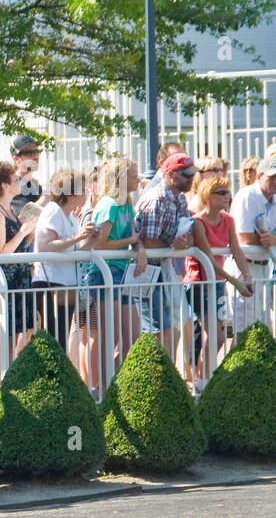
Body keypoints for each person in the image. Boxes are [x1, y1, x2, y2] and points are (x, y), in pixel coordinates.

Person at [78, 157, 146, 387]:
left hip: (121, 272)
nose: (138, 179)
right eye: (133, 175)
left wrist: (138, 248)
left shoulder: (127, 203)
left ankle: (119, 383)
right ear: (120, 179)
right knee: (109, 335)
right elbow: (100, 244)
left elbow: (133, 235)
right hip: (103, 274)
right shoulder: (108, 204)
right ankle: (101, 387)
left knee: (132, 337)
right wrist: (130, 241)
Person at [185, 176, 252, 384]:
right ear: (208, 196)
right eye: (221, 193)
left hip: (217, 283)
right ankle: (201, 383)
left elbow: (237, 251)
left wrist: (247, 275)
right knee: (215, 335)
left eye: (227, 192)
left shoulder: (228, 220)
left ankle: (202, 381)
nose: (227, 196)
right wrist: (236, 282)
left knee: (217, 336)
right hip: (199, 283)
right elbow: (207, 259)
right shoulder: (198, 222)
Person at [135, 151, 197, 362]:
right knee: (155, 332)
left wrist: (184, 242)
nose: (191, 178)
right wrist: (174, 243)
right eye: (185, 174)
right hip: (145, 272)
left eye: (191, 174)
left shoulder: (179, 199)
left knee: (169, 328)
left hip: (163, 268)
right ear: (170, 174)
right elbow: (149, 242)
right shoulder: (157, 199)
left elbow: (186, 234)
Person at [31, 168, 94, 355]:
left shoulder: (70, 216)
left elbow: (74, 250)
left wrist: (92, 239)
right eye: (83, 189)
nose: (87, 193)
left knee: (61, 338)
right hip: (50, 284)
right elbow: (45, 247)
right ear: (70, 193)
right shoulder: (53, 211)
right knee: (53, 339)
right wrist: (77, 236)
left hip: (66, 285)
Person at [0, 160, 37, 369]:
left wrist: (29, 232)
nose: (19, 182)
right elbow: (0, 251)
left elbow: (19, 247)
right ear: (4, 185)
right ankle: (1, 390)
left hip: (18, 281)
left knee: (16, 339)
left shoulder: (10, 211)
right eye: (15, 179)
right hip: (5, 283)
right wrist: (22, 232)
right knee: (2, 344)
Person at [230, 154, 276, 336]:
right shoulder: (247, 196)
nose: (275, 181)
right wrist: (269, 241)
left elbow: (268, 239)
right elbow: (244, 238)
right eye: (271, 177)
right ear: (259, 176)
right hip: (244, 268)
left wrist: (272, 240)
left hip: (264, 268)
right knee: (245, 331)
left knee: (261, 330)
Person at [10, 133, 43, 211]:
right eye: (30, 153)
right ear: (16, 160)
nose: (36, 157)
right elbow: (23, 215)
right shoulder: (12, 185)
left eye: (37, 151)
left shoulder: (36, 185)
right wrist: (46, 199)